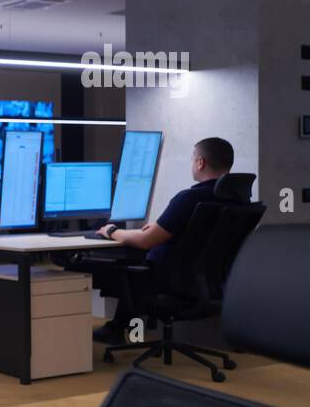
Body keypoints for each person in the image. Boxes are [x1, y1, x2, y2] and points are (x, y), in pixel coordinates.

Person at [83, 136, 235, 343]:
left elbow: (146, 241)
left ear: (200, 162)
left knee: (95, 264)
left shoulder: (189, 198)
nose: (192, 164)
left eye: (193, 159)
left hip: (168, 280)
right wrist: (158, 227)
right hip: (212, 282)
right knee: (134, 264)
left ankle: (109, 330)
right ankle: (117, 328)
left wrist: (112, 231)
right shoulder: (237, 199)